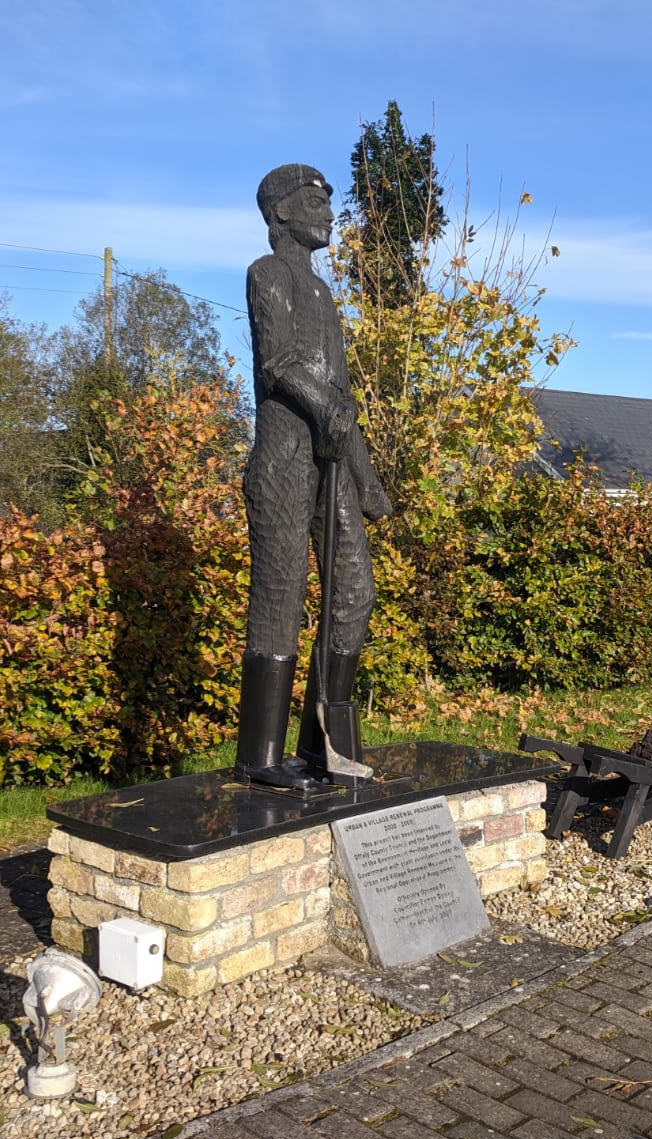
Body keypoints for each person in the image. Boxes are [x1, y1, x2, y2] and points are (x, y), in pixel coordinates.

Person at [235, 163, 389, 790]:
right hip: (285, 458)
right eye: (312, 201)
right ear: (279, 213)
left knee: (354, 590)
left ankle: (324, 741)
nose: (328, 212)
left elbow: (344, 392)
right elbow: (278, 365)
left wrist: (365, 474)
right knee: (281, 594)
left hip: (331, 461)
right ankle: (260, 756)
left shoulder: (324, 294)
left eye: (328, 202)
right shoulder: (267, 274)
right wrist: (326, 407)